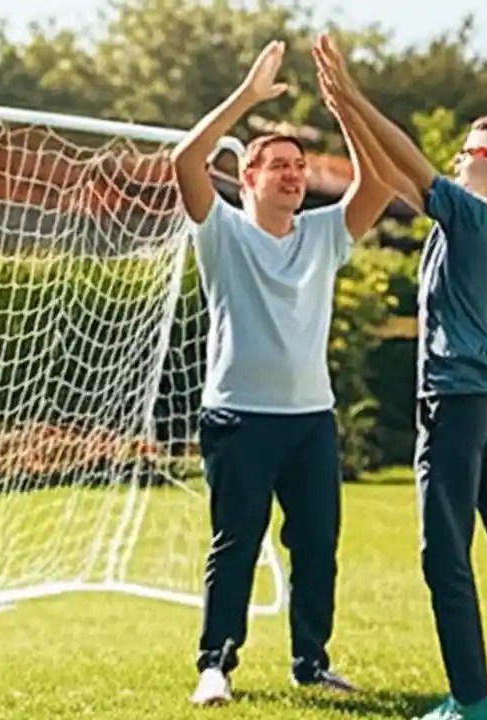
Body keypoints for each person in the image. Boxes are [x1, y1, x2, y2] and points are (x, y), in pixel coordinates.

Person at [311, 33, 487, 720]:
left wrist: (359, 94)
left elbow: (409, 162)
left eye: (470, 150)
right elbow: (390, 172)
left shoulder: (476, 220)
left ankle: (470, 703)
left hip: (457, 407)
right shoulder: (483, 228)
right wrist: (344, 107)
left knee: (445, 555)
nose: (458, 158)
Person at [169, 39, 395, 706]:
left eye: (299, 166)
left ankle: (311, 662)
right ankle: (215, 665)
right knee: (235, 543)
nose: (293, 174)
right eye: (278, 166)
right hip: (239, 416)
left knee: (317, 548)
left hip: (310, 421)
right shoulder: (221, 232)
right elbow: (185, 161)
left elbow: (377, 183)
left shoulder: (324, 233)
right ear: (250, 180)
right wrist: (246, 97)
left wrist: (344, 105)